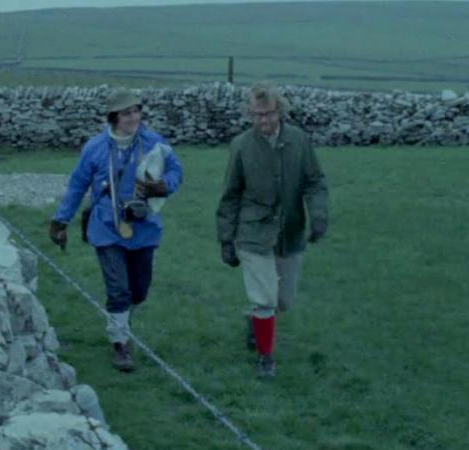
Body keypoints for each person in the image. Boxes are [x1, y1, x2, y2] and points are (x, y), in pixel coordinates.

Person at [48, 89, 183, 372]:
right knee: (118, 289)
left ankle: (121, 319)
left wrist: (163, 186)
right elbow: (76, 185)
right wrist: (61, 221)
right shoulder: (95, 147)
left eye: (136, 111)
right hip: (106, 227)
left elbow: (175, 171)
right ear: (114, 117)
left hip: (144, 226)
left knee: (139, 291)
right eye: (126, 113)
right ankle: (120, 344)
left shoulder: (154, 142)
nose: (133, 117)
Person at [215, 82, 329, 378]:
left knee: (282, 301)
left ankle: (256, 320)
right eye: (256, 115)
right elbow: (230, 194)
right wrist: (226, 239)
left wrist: (318, 215)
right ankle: (266, 357)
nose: (262, 121)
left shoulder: (299, 141)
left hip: (290, 231)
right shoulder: (241, 146)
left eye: (267, 114)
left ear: (279, 111)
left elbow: (315, 181)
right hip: (253, 232)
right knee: (264, 298)